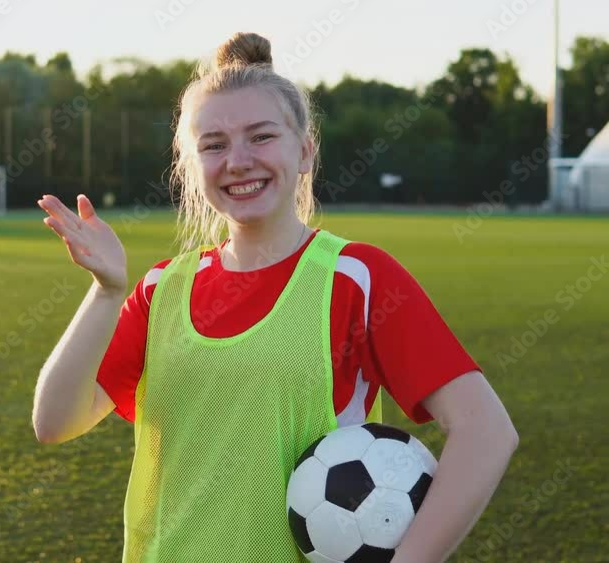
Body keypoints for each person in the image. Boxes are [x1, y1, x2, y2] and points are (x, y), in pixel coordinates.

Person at [32, 31, 518, 563]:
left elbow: (485, 430)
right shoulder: (160, 290)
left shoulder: (355, 277)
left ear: (305, 150)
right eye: (213, 145)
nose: (237, 161)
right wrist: (107, 293)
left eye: (261, 137)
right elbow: (54, 422)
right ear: (191, 167)